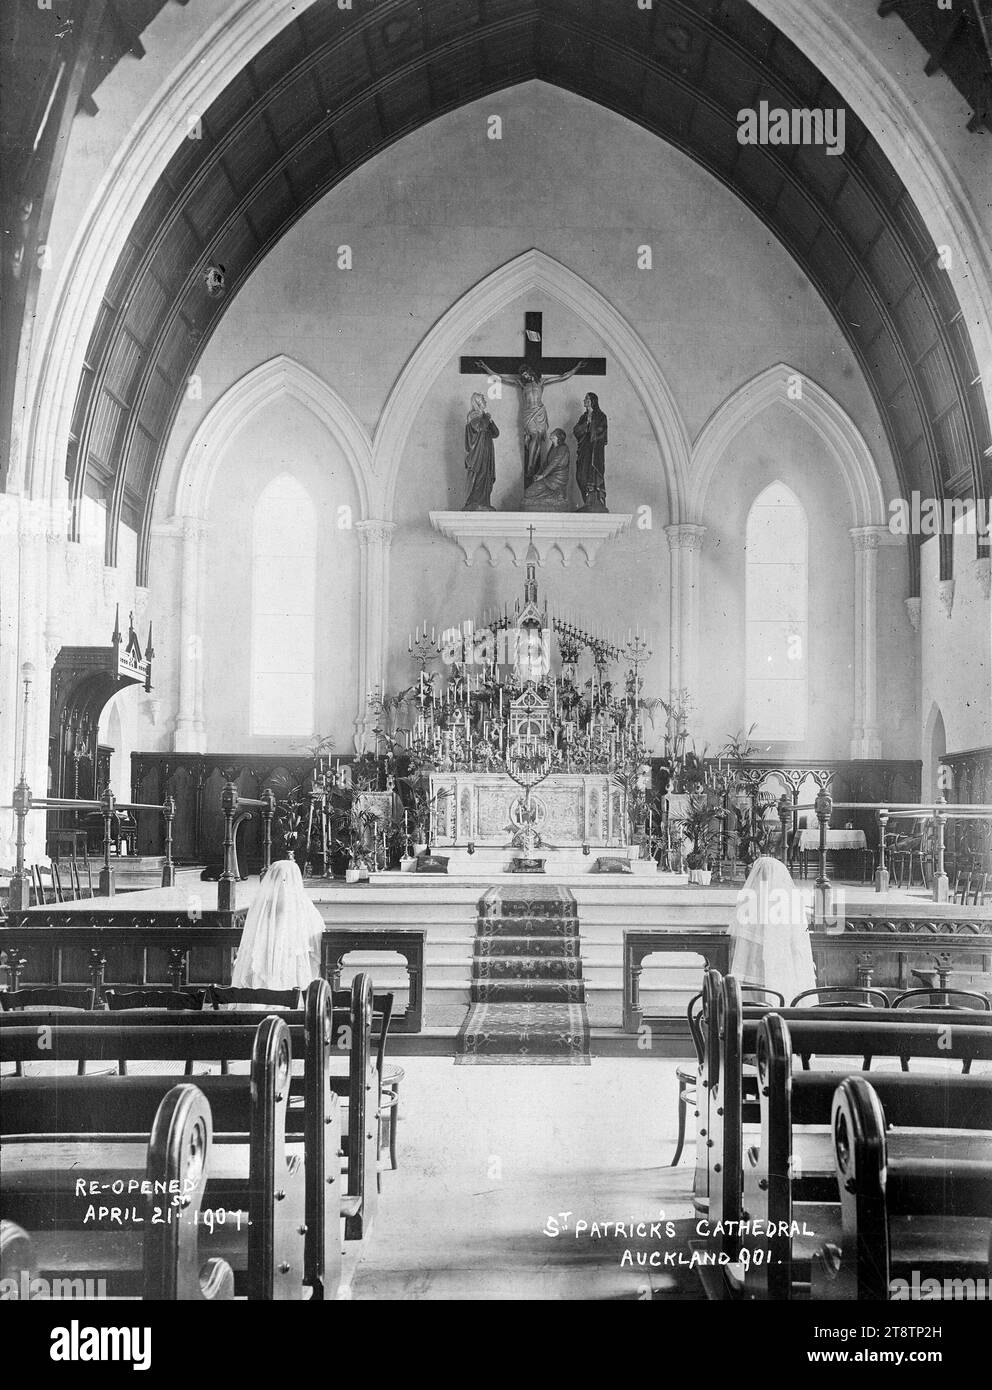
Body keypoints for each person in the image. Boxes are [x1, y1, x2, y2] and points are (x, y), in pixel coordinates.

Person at [475, 357, 586, 486]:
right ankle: (530, 465)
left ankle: (533, 466)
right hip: (529, 414)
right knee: (534, 436)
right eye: (523, 375)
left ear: (530, 372)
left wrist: (576, 368)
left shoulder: (541, 383)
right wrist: (485, 367)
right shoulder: (522, 384)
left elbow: (562, 377)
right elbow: (500, 377)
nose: (525, 376)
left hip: (540, 412)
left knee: (538, 438)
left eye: (526, 373)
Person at [728, 855, 815, 1004]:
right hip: (779, 978)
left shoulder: (749, 907)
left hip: (752, 976)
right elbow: (798, 947)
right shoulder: (789, 906)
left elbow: (734, 939)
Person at [231, 858, 323, 991]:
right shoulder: (302, 905)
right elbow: (317, 928)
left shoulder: (263, 905)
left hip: (271, 958)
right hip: (286, 959)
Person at [462, 392, 499, 510]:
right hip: (478, 451)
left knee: (487, 475)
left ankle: (484, 502)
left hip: (487, 449)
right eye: (483, 399)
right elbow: (480, 427)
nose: (485, 401)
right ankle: (475, 501)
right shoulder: (473, 415)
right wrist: (486, 418)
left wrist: (491, 421)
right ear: (478, 402)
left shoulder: (484, 416)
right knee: (480, 474)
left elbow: (496, 433)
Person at [573, 392, 608, 510]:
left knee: (592, 475)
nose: (584, 400)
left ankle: (594, 501)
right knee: (580, 476)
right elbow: (576, 431)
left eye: (587, 399)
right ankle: (587, 500)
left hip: (595, 451)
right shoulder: (583, 417)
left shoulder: (601, 416)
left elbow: (602, 431)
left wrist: (591, 424)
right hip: (584, 450)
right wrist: (586, 424)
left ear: (592, 401)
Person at [523, 427, 571, 510]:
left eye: (554, 433)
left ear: (557, 437)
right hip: (549, 478)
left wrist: (542, 476)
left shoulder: (563, 448)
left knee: (529, 493)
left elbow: (553, 464)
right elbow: (545, 464)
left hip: (557, 479)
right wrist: (538, 474)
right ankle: (554, 493)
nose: (551, 434)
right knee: (527, 493)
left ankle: (557, 492)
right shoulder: (553, 447)